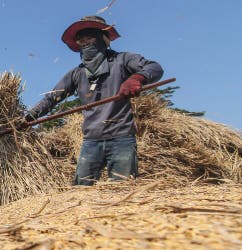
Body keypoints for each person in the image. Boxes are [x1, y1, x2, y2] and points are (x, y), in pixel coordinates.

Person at [26, 15, 163, 185]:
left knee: (122, 189)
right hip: (91, 142)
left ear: (102, 39)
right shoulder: (77, 74)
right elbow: (52, 98)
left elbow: (154, 67)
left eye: (89, 37)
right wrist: (28, 118)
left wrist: (136, 78)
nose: (85, 43)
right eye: (80, 40)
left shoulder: (122, 61)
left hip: (121, 138)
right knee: (81, 192)